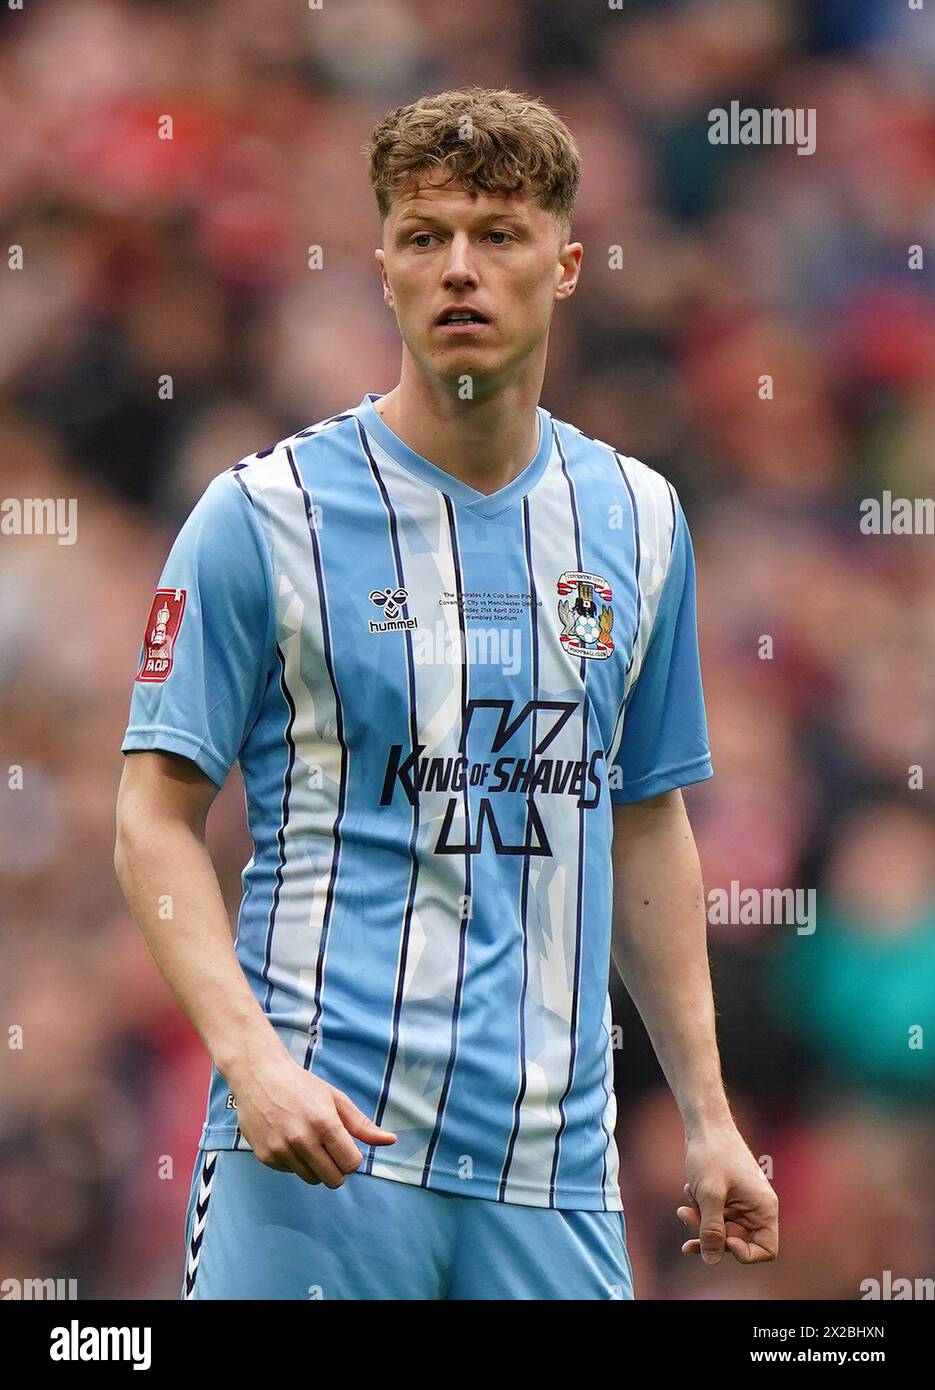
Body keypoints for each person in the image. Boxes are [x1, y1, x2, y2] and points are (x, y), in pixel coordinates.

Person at [115, 86, 778, 1300]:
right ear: (381, 267)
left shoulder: (637, 520)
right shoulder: (265, 516)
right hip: (320, 1158)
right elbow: (151, 813)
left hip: (549, 1169)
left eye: (496, 234)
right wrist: (248, 1061)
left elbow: (642, 814)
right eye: (424, 238)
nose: (457, 269)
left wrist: (708, 1115)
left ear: (565, 264)